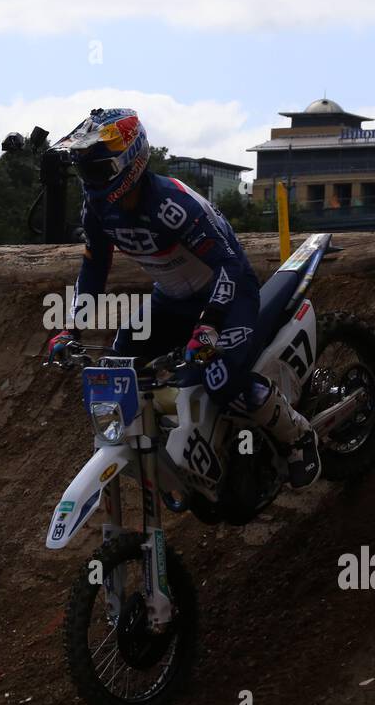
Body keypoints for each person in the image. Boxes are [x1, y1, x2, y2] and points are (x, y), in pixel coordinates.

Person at [46, 108, 321, 487]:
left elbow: (227, 263)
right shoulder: (97, 209)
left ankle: (299, 438)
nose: (89, 180)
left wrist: (208, 323)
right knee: (119, 359)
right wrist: (71, 329)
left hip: (228, 292)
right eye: (84, 170)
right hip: (172, 300)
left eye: (97, 170)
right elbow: (93, 271)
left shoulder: (170, 204)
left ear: (129, 163)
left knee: (220, 380)